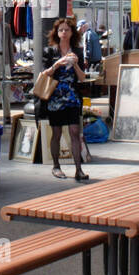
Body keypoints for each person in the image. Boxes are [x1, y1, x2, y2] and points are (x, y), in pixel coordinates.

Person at [38, 17, 88, 181]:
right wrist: (57, 64)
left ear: (72, 32)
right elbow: (44, 73)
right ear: (56, 33)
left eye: (67, 30)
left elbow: (82, 78)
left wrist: (75, 64)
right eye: (61, 30)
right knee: (57, 132)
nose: (64, 33)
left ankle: (78, 169)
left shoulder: (78, 51)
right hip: (55, 97)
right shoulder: (50, 51)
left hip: (72, 97)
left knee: (74, 131)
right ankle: (56, 166)